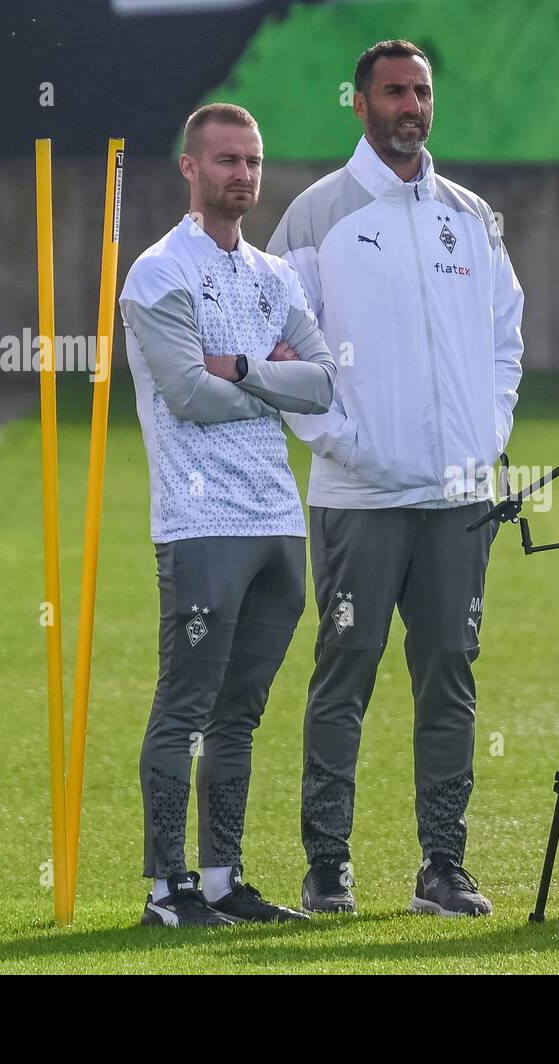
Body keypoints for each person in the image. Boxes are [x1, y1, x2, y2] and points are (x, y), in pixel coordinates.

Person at [267, 39, 524, 917]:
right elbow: (281, 356)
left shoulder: (472, 216)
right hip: (359, 499)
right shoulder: (314, 216)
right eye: (393, 93)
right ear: (361, 103)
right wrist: (344, 442)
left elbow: (504, 341)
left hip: (458, 500)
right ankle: (328, 864)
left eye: (420, 92)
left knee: (451, 673)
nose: (410, 106)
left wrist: (489, 435)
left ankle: (444, 867)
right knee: (346, 670)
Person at [121, 103, 335, 927]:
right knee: (185, 707)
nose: (241, 175)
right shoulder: (160, 272)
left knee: (240, 713)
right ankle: (165, 889)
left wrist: (241, 366)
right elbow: (185, 396)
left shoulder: (275, 276)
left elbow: (321, 383)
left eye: (250, 161)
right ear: (189, 168)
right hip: (200, 520)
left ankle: (223, 881)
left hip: (278, 521)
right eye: (224, 162)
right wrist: (269, 383)